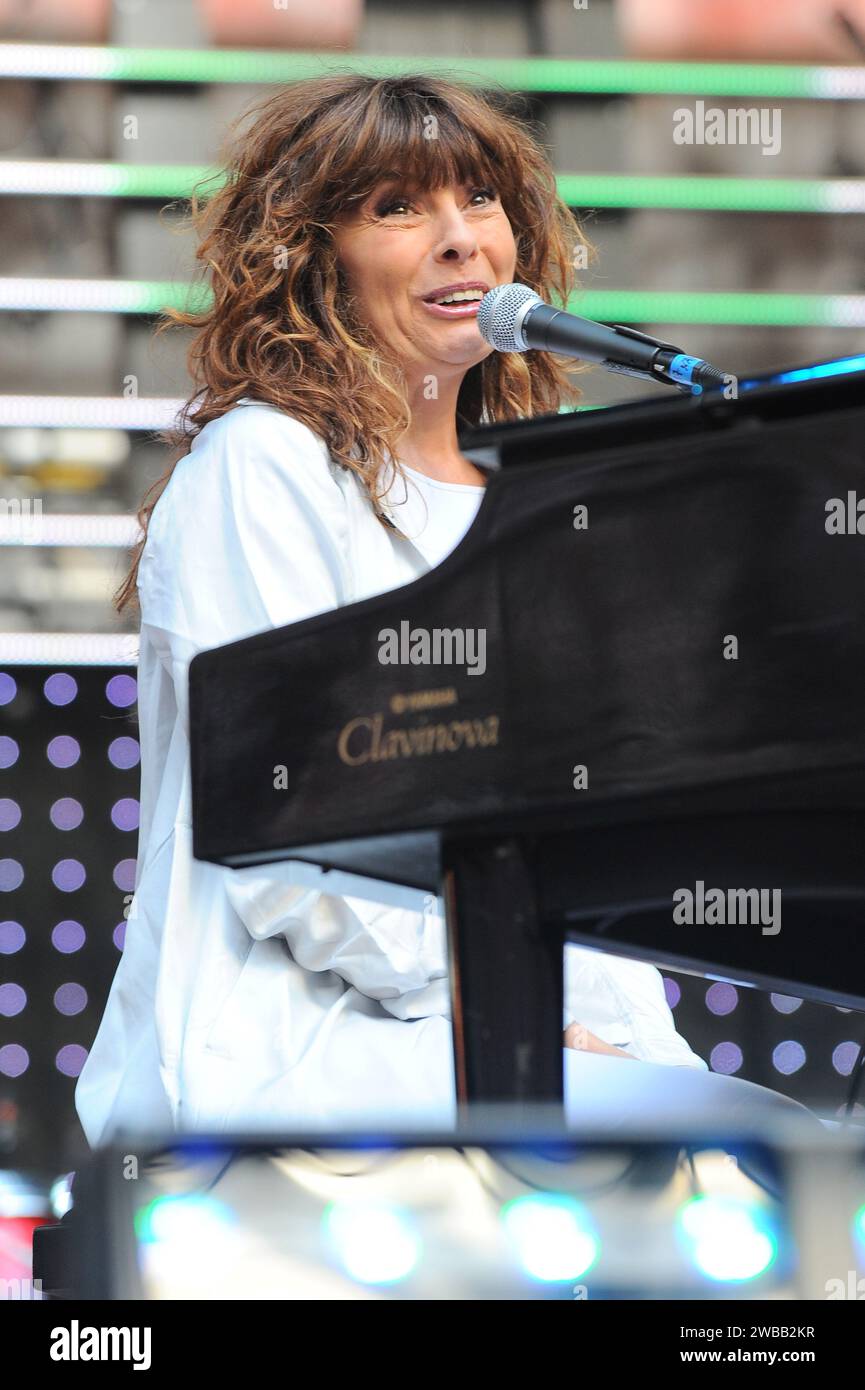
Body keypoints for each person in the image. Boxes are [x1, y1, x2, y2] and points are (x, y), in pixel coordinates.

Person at [74, 72, 708, 1149]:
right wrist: (521, 1010)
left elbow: (570, 845)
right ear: (314, 258)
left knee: (769, 1148)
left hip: (514, 1036)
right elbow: (294, 844)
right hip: (301, 1056)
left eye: (480, 200)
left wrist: (644, 1048)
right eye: (399, 207)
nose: (460, 239)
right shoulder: (261, 466)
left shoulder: (537, 499)